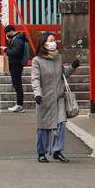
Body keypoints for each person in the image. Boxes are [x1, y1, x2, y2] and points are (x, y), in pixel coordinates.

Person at [31, 32, 79, 162]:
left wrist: (73, 67)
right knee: (44, 126)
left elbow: (64, 76)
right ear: (44, 43)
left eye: (54, 40)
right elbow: (35, 79)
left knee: (61, 123)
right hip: (44, 98)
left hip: (59, 98)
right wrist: (37, 94)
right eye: (50, 40)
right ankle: (41, 152)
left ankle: (57, 151)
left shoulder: (59, 58)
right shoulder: (37, 61)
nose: (53, 42)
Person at [4, 23, 31, 111]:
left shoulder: (18, 39)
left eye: (7, 33)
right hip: (16, 64)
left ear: (11, 31)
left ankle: (19, 105)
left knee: (17, 84)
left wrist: (6, 49)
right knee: (17, 84)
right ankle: (19, 104)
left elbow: (15, 52)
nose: (7, 35)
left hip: (16, 65)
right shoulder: (18, 38)